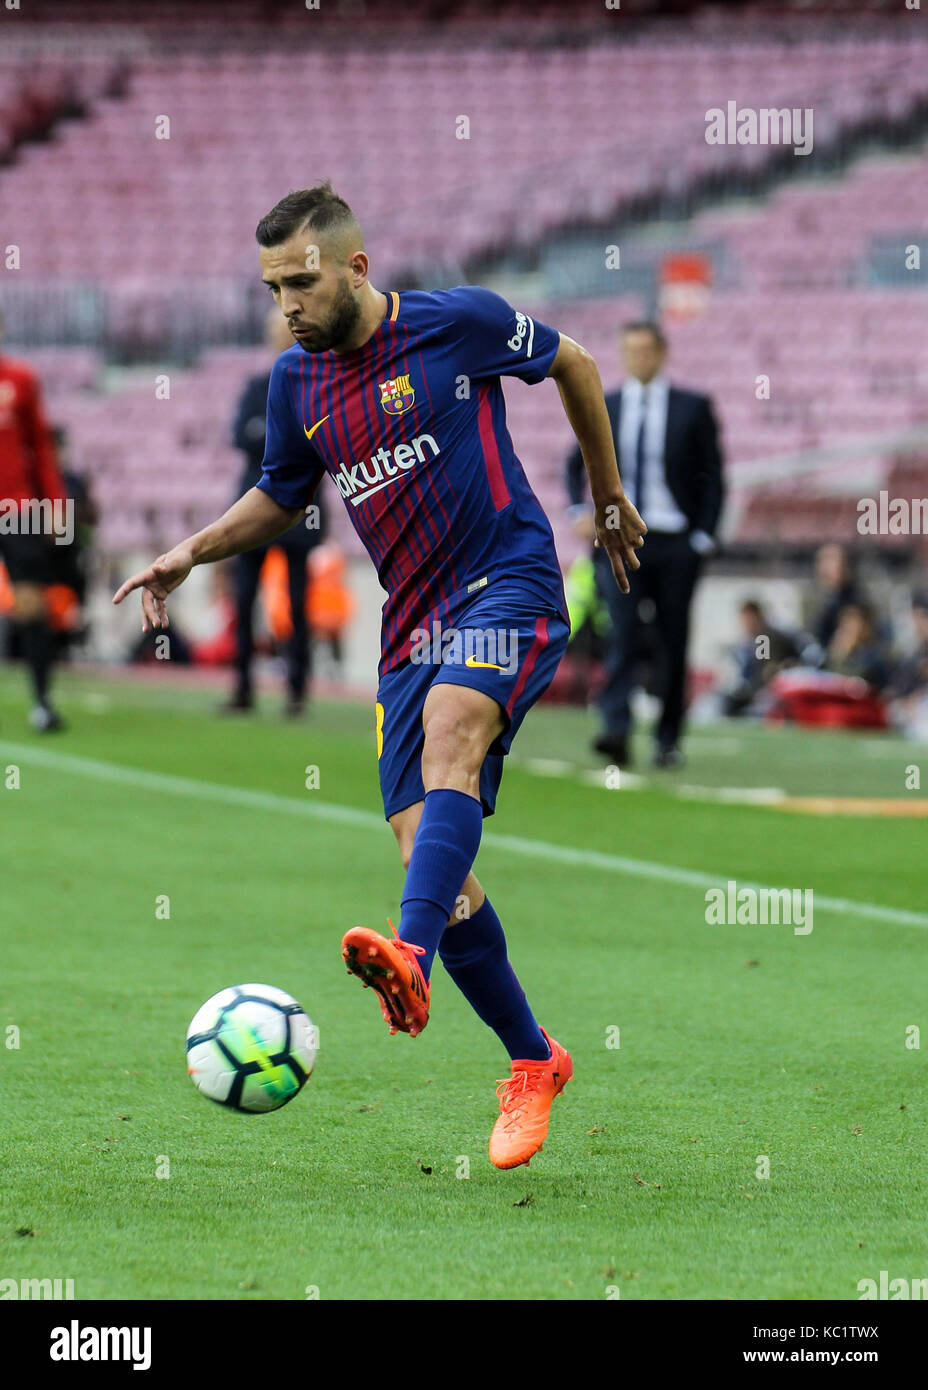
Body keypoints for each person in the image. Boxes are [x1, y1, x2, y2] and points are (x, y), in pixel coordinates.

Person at [114, 182, 646, 1171]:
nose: (287, 305)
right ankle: (532, 1059)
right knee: (427, 854)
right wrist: (191, 550)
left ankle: (409, 957)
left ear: (354, 267)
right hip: (409, 627)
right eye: (274, 288)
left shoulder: (458, 323)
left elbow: (571, 361)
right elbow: (280, 496)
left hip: (512, 583)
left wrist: (607, 495)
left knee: (453, 733)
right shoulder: (293, 382)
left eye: (302, 282)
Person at [566, 320, 723, 768]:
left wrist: (703, 537)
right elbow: (572, 461)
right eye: (629, 349)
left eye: (644, 350)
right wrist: (580, 513)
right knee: (621, 635)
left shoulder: (693, 407)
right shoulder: (606, 403)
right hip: (620, 540)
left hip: (675, 540)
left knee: (673, 641)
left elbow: (713, 474)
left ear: (661, 353)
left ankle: (668, 739)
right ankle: (616, 729)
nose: (637, 358)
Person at [222, 308, 327, 718]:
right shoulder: (258, 385)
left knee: (298, 604)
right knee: (244, 600)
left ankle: (297, 691)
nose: (279, 337)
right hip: (253, 507)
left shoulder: (316, 381)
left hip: (301, 509)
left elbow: (317, 440)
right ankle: (243, 687)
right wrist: (288, 437)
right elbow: (242, 436)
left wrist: (276, 437)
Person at [0, 310, 68, 730]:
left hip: (18, 509)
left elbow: (40, 448)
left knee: (30, 602)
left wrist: (55, 504)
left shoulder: (20, 381)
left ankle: (42, 701)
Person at [723, 599, 800, 717]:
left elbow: (766, 672)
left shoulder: (765, 638)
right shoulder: (752, 640)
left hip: (772, 694)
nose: (745, 624)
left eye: (749, 619)